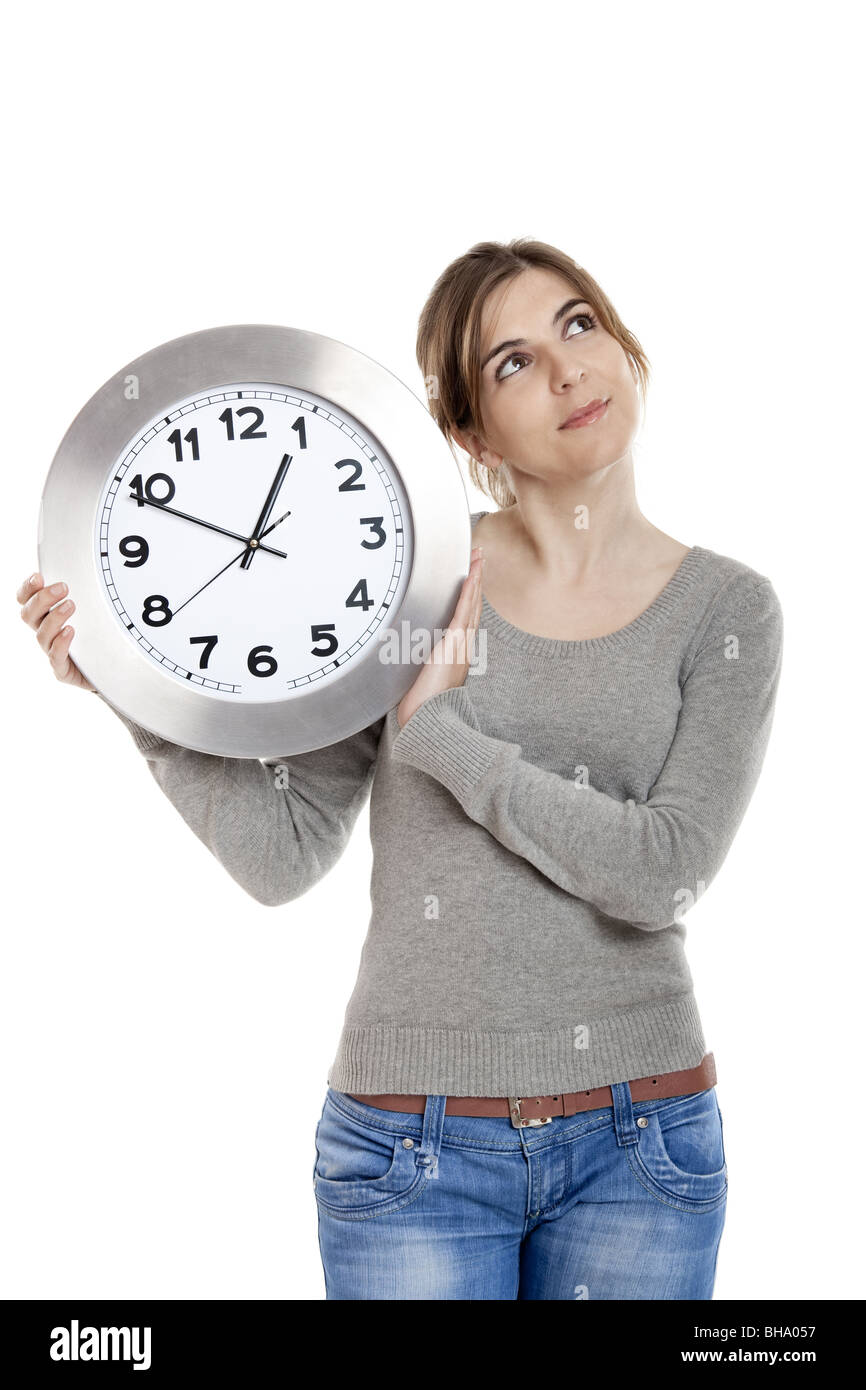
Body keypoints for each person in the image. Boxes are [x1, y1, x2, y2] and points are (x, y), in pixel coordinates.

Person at [18, 237, 784, 1300]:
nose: (564, 369)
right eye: (511, 362)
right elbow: (283, 856)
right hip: (409, 1149)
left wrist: (443, 738)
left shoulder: (726, 609)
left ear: (620, 346)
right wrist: (139, 696)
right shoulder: (408, 574)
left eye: (577, 324)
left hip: (640, 1137)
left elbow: (664, 870)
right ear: (466, 432)